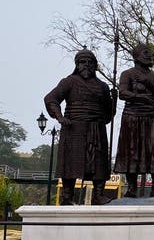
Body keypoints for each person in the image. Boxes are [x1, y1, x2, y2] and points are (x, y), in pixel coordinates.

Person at [44, 49, 113, 205]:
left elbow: (108, 115)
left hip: (97, 127)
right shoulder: (69, 82)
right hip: (74, 127)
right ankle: (67, 197)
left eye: (90, 62)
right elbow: (51, 98)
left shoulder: (102, 86)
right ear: (77, 64)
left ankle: (98, 195)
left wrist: (112, 101)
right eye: (83, 62)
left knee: (99, 163)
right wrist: (60, 117)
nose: (86, 65)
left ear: (95, 65)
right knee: (70, 163)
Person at [115, 43, 154, 198]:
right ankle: (131, 187)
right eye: (146, 53)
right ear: (137, 56)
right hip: (132, 116)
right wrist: (139, 96)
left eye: (149, 53)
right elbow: (122, 93)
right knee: (132, 150)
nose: (149, 56)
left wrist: (148, 82)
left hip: (152, 116)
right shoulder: (127, 74)